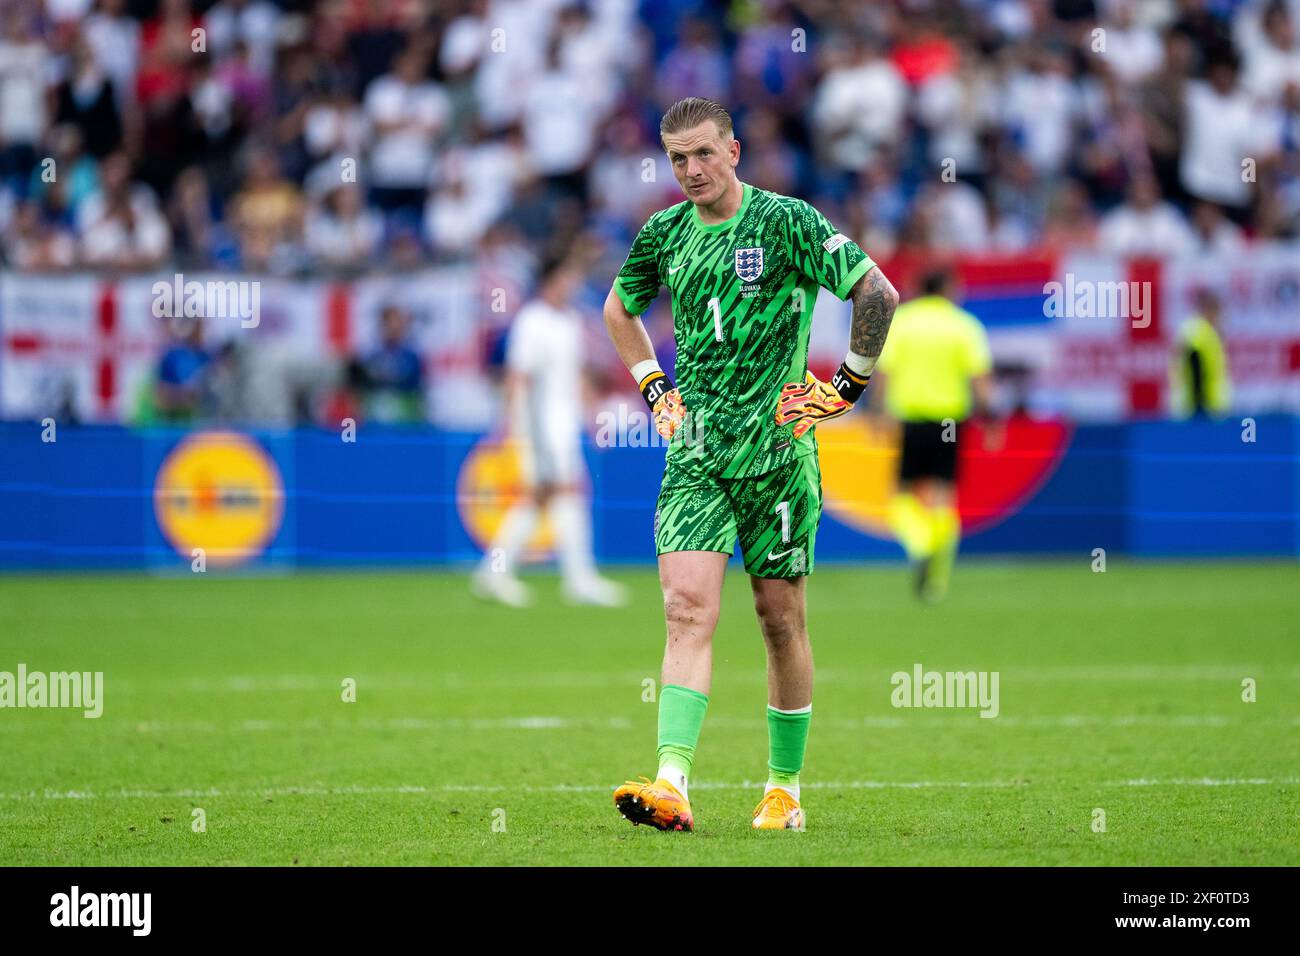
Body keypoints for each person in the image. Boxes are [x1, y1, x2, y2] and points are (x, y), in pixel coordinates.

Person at [602, 97, 898, 832]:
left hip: (776, 454)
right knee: (685, 609)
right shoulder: (663, 233)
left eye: (704, 154)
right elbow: (618, 309)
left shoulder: (788, 221)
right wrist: (654, 388)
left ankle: (784, 790)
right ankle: (673, 783)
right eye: (678, 159)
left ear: (734, 151)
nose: (692, 171)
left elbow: (877, 292)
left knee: (779, 618)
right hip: (696, 452)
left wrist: (845, 390)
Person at [472, 255, 628, 609]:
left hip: (564, 424)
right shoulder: (532, 321)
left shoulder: (569, 320)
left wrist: (590, 417)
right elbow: (517, 375)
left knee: (555, 495)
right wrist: (507, 425)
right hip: (536, 426)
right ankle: (572, 577)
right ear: (551, 279)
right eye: (568, 277)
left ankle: (564, 577)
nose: (573, 284)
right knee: (554, 492)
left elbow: (576, 376)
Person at [873, 267, 997, 604]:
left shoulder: (903, 322)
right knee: (944, 497)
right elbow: (980, 379)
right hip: (949, 423)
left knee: (901, 496)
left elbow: (884, 372)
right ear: (946, 288)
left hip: (911, 421)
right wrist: (991, 419)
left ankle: (918, 542)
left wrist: (878, 415)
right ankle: (937, 581)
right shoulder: (963, 325)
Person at [1169, 288, 1231, 418]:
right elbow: (1194, 367)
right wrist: (1199, 403)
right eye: (1216, 310)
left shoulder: (1206, 331)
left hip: (1208, 406)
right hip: (1200, 407)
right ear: (1207, 309)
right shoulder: (1198, 332)